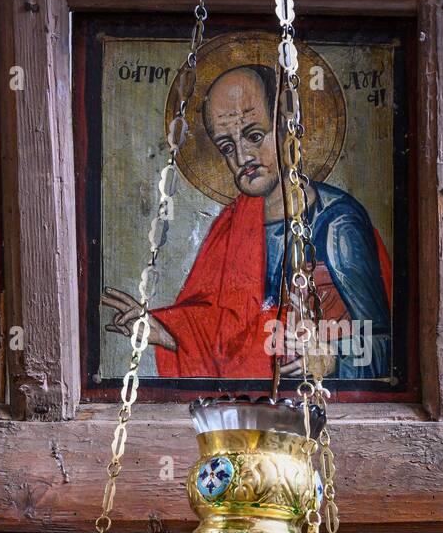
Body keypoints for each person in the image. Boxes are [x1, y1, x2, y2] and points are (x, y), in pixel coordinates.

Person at [102, 64, 391, 379]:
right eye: (227, 146)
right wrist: (164, 332)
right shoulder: (233, 226)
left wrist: (333, 360)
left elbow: (386, 348)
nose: (241, 157)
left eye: (254, 135)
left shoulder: (338, 225)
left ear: (287, 129)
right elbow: (225, 337)